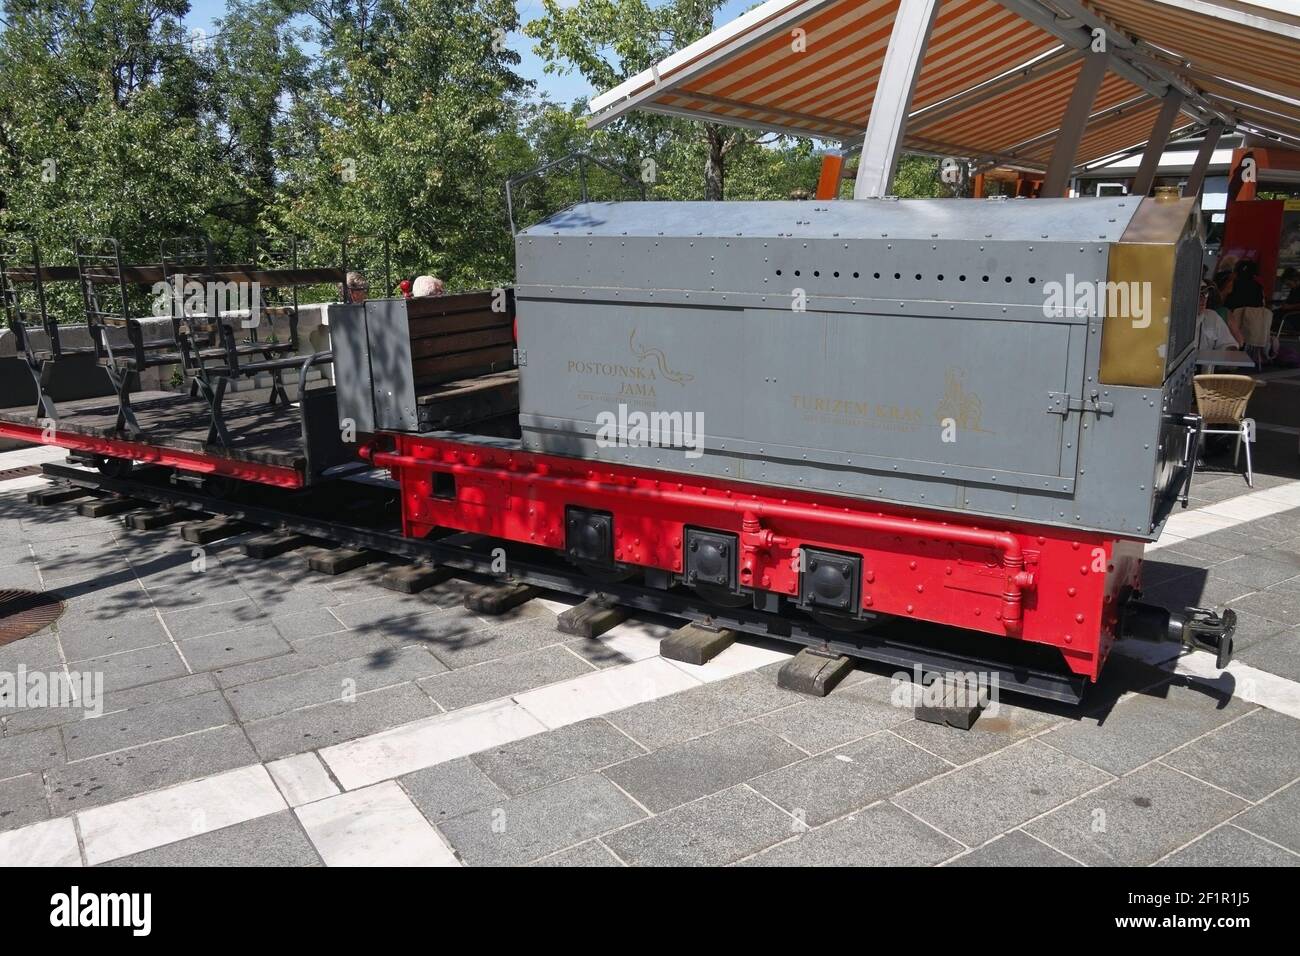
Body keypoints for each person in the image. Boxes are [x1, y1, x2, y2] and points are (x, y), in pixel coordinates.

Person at [1198, 282, 1241, 352]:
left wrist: (1231, 350)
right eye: (1199, 294)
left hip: (1207, 362)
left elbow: (1229, 344)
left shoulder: (1212, 316)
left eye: (1205, 294)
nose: (1203, 299)